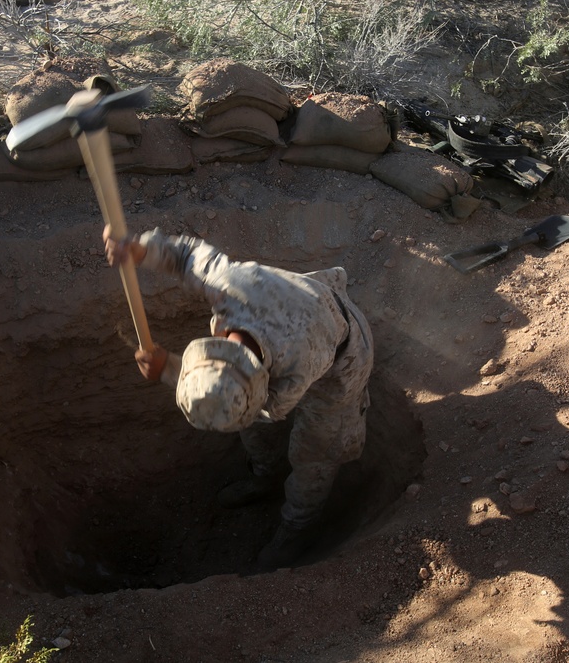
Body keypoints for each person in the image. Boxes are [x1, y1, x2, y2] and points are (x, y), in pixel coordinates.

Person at [104, 226, 374, 569]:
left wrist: (167, 372)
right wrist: (141, 252)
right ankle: (264, 477)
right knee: (241, 418)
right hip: (297, 304)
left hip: (341, 359)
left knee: (315, 453)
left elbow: (271, 410)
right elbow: (188, 256)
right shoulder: (231, 285)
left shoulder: (300, 363)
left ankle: (298, 528)